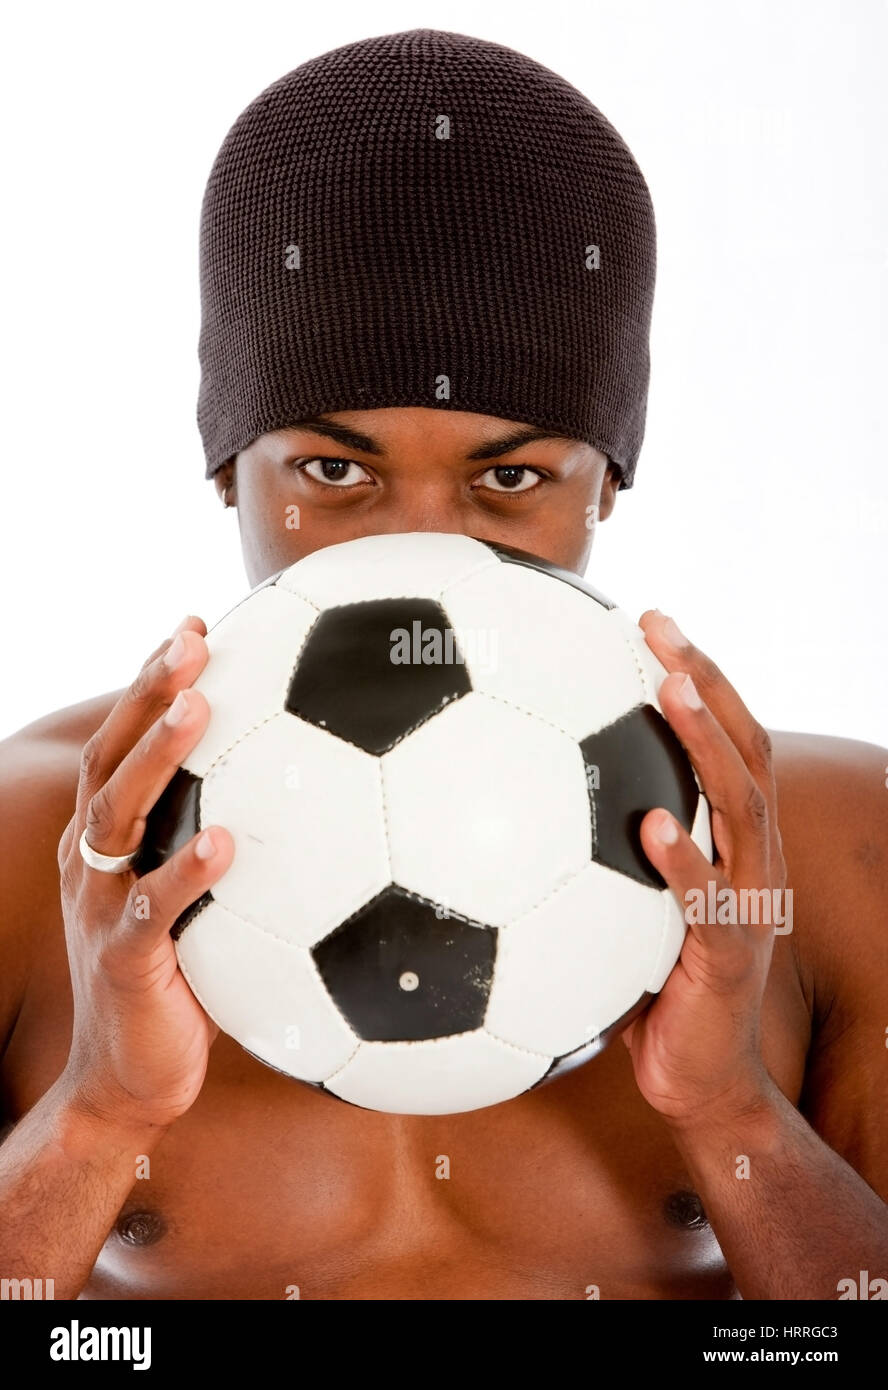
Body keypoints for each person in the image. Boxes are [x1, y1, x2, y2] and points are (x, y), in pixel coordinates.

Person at [1, 28, 886, 1302]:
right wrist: (96, 1116)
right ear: (226, 466)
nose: (420, 549)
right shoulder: (30, 840)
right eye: (334, 474)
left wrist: (731, 1113)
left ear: (609, 486)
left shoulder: (840, 849)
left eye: (511, 478)